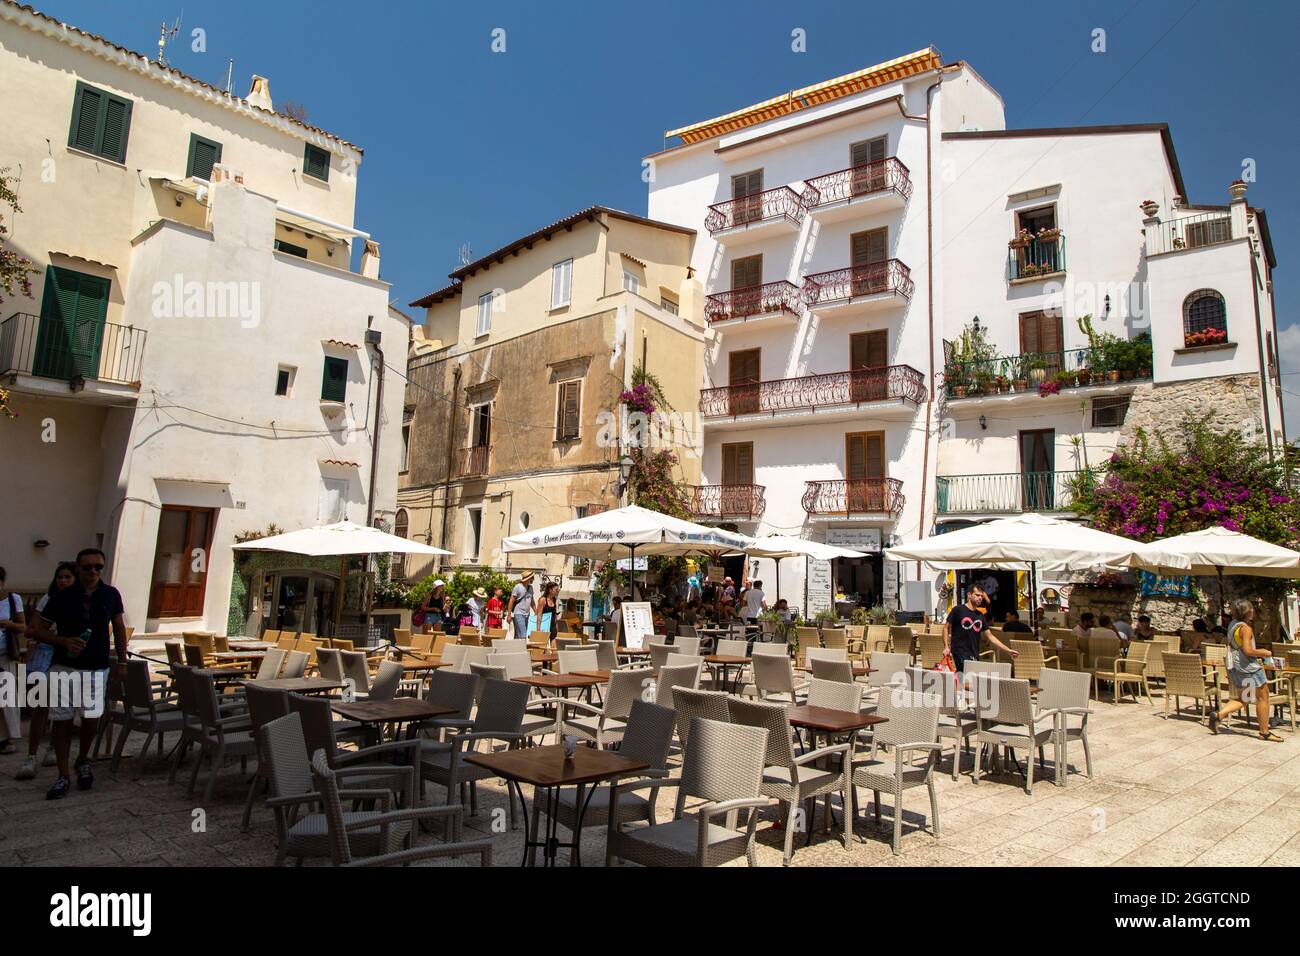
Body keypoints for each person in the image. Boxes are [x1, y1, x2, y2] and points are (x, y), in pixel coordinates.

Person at [30, 548, 129, 799]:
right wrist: (62, 641)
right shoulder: (63, 597)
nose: (93, 571)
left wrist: (122, 661)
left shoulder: (110, 594)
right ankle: (62, 774)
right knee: (62, 721)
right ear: (78, 568)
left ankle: (83, 759)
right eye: (88, 567)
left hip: (97, 668)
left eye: (98, 567)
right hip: (64, 667)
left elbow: (118, 627)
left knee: (90, 720)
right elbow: (36, 630)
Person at [15, 562, 75, 780]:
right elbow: (33, 628)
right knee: (40, 708)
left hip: (66, 659)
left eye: (68, 577)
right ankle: (31, 755)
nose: (63, 581)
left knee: (61, 709)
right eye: (60, 577)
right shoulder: (47, 599)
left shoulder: (82, 602)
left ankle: (52, 748)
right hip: (44, 656)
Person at [1211, 598, 1283, 741]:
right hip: (1249, 668)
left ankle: (1219, 715)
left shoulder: (1232, 625)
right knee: (1263, 698)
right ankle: (1264, 732)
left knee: (1244, 698)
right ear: (1248, 612)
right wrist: (1265, 652)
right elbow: (1248, 650)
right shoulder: (1246, 629)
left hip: (1236, 667)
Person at [946, 584, 1018, 672]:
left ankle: (957, 684)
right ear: (969, 595)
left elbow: (990, 637)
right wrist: (946, 646)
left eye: (981, 596)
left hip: (974, 654)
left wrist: (1008, 650)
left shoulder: (980, 616)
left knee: (966, 681)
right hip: (959, 651)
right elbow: (946, 628)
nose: (980, 598)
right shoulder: (958, 610)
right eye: (977, 595)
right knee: (967, 679)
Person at [0, 565, 27, 755]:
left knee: (7, 696)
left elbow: (22, 626)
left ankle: (9, 736)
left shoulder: (12, 600)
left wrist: (9, 624)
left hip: (4, 654)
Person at [508, 571, 535, 640]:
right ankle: (524, 649)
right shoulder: (518, 587)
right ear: (528, 579)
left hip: (527, 614)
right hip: (519, 613)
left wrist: (536, 612)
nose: (533, 579)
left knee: (519, 634)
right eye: (532, 578)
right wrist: (509, 614)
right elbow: (511, 601)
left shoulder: (530, 588)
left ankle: (517, 648)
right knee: (523, 634)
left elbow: (532, 601)